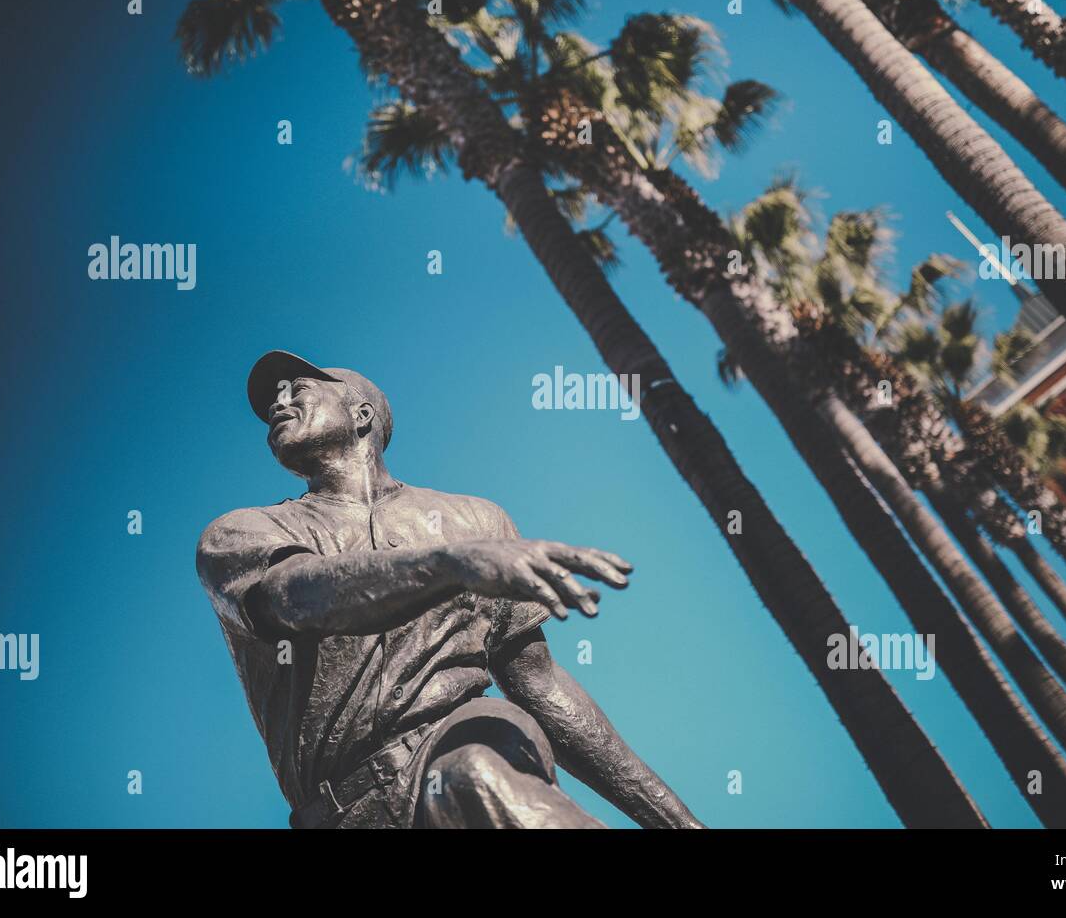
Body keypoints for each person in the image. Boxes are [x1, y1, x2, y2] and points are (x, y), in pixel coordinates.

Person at [196, 350, 703, 828]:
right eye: (272, 403)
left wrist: (679, 823)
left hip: (466, 741)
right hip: (346, 812)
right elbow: (295, 597)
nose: (278, 404)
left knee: (474, 771)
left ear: (362, 415)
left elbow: (540, 685)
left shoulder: (475, 521)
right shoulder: (244, 531)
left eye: (296, 389)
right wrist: (452, 565)